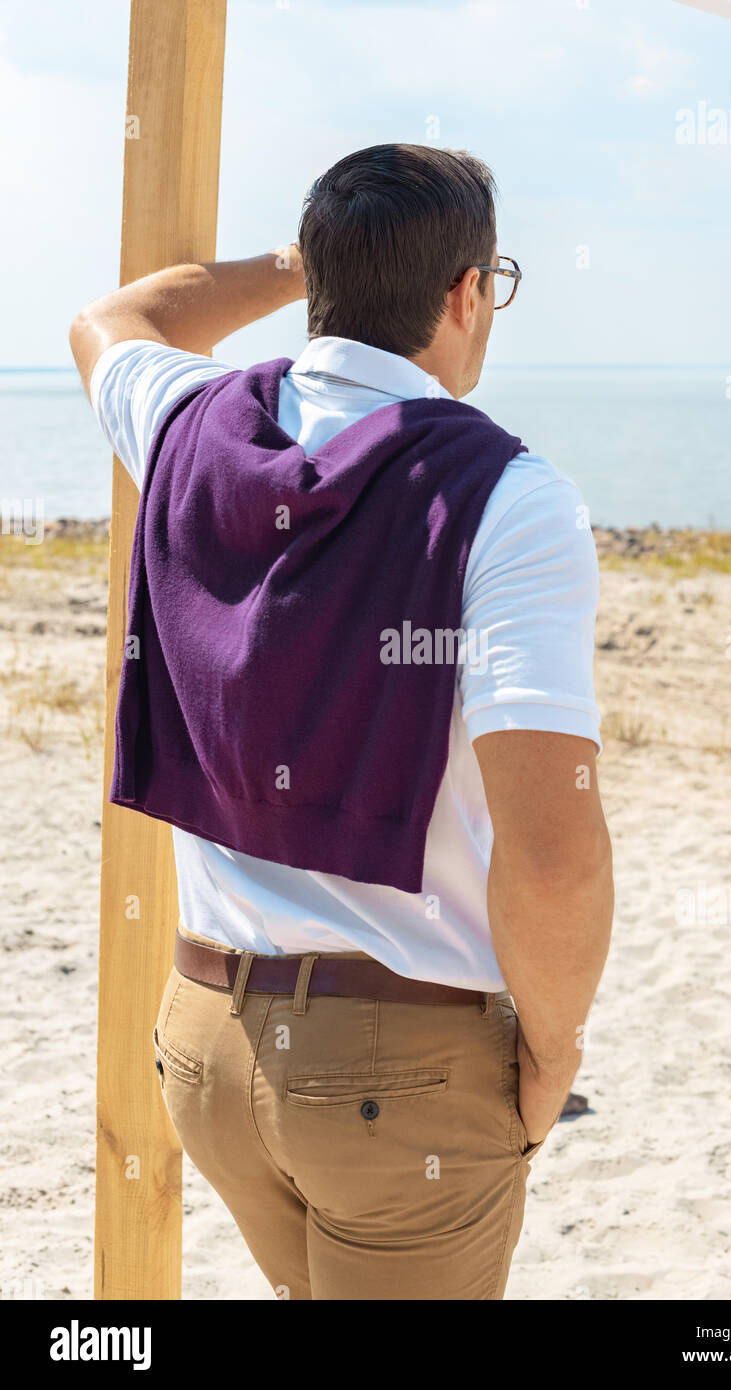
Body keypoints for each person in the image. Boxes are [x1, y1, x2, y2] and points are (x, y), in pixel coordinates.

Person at [70, 143, 614, 1301]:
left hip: (207, 1043)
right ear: (467, 293)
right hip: (399, 1077)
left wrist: (301, 259)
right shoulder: (509, 498)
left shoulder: (182, 421)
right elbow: (555, 853)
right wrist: (550, 1059)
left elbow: (114, 317)